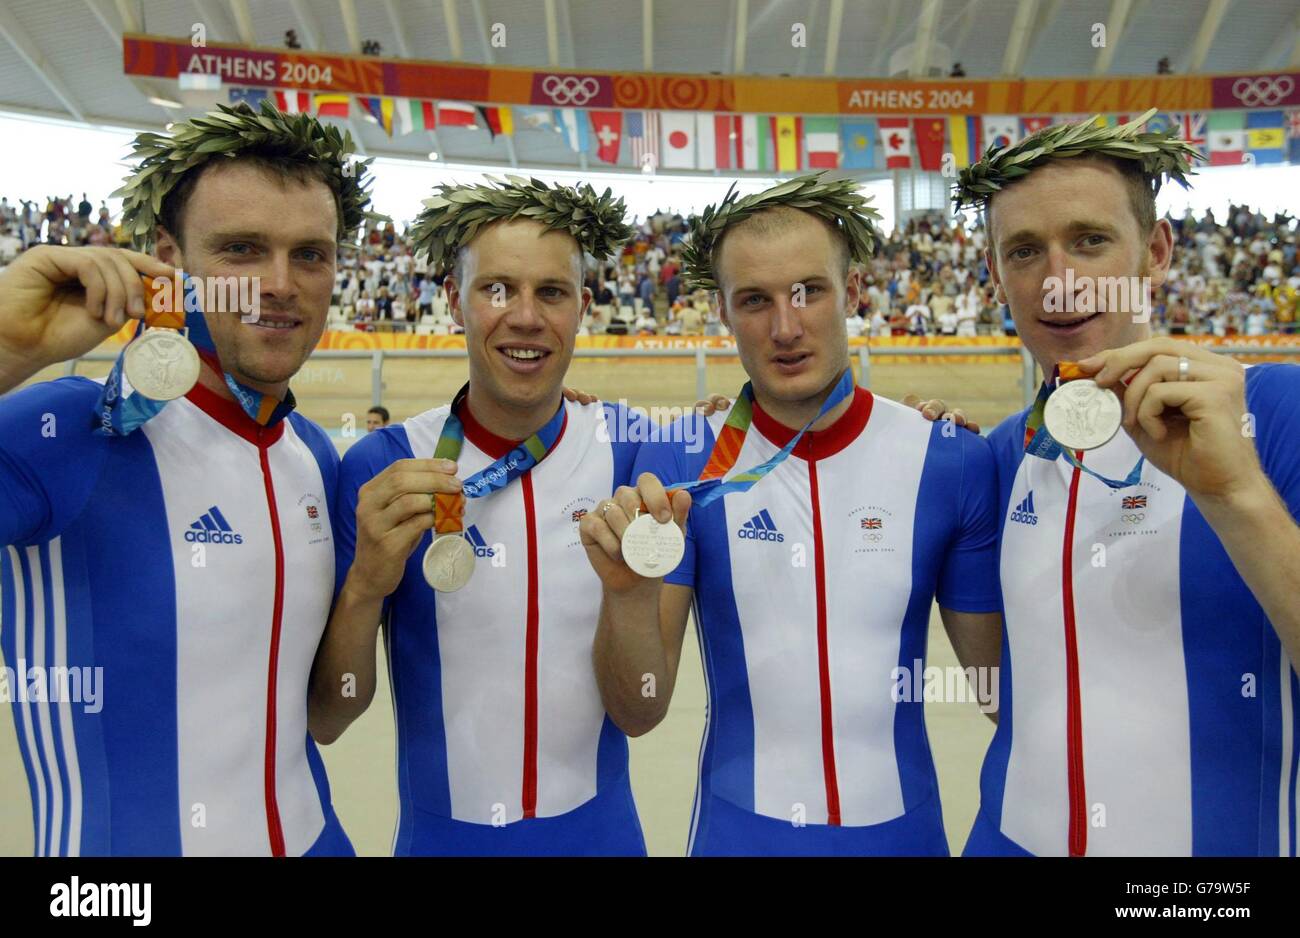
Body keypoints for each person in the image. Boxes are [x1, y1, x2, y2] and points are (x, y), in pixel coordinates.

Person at [579, 175, 1003, 855]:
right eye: (755, 301)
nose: (785, 326)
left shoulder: (951, 461)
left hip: (905, 835)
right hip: (739, 835)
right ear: (721, 310)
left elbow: (1003, 696)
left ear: (856, 292)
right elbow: (638, 710)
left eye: (809, 291)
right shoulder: (682, 461)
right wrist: (625, 598)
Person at [0, 100, 374, 855]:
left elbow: (319, 714)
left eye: (310, 254)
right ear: (168, 262)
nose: (280, 283)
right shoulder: (68, 432)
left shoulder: (310, 452)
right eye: (241, 250)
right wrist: (5, 349)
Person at [937, 111, 1300, 856]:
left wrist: (1239, 497)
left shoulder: (1275, 411)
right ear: (997, 276)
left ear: (1156, 251)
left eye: (1090, 241)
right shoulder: (999, 455)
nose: (1059, 279)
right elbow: (1008, 697)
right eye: (1025, 250)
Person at [309, 177, 651, 855]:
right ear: (453, 303)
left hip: (603, 837)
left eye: (551, 292)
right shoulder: (381, 464)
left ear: (583, 306)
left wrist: (923, 421)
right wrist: (363, 588)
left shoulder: (634, 448)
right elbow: (330, 714)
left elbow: (769, 435)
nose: (525, 317)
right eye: (496, 289)